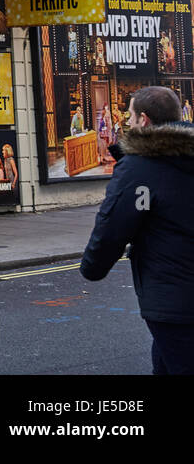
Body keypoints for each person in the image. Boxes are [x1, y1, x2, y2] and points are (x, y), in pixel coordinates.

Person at [81, 86, 194, 375]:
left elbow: (114, 225)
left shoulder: (140, 167)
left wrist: (93, 266)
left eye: (130, 117)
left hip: (174, 301)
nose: (127, 124)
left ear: (144, 120)